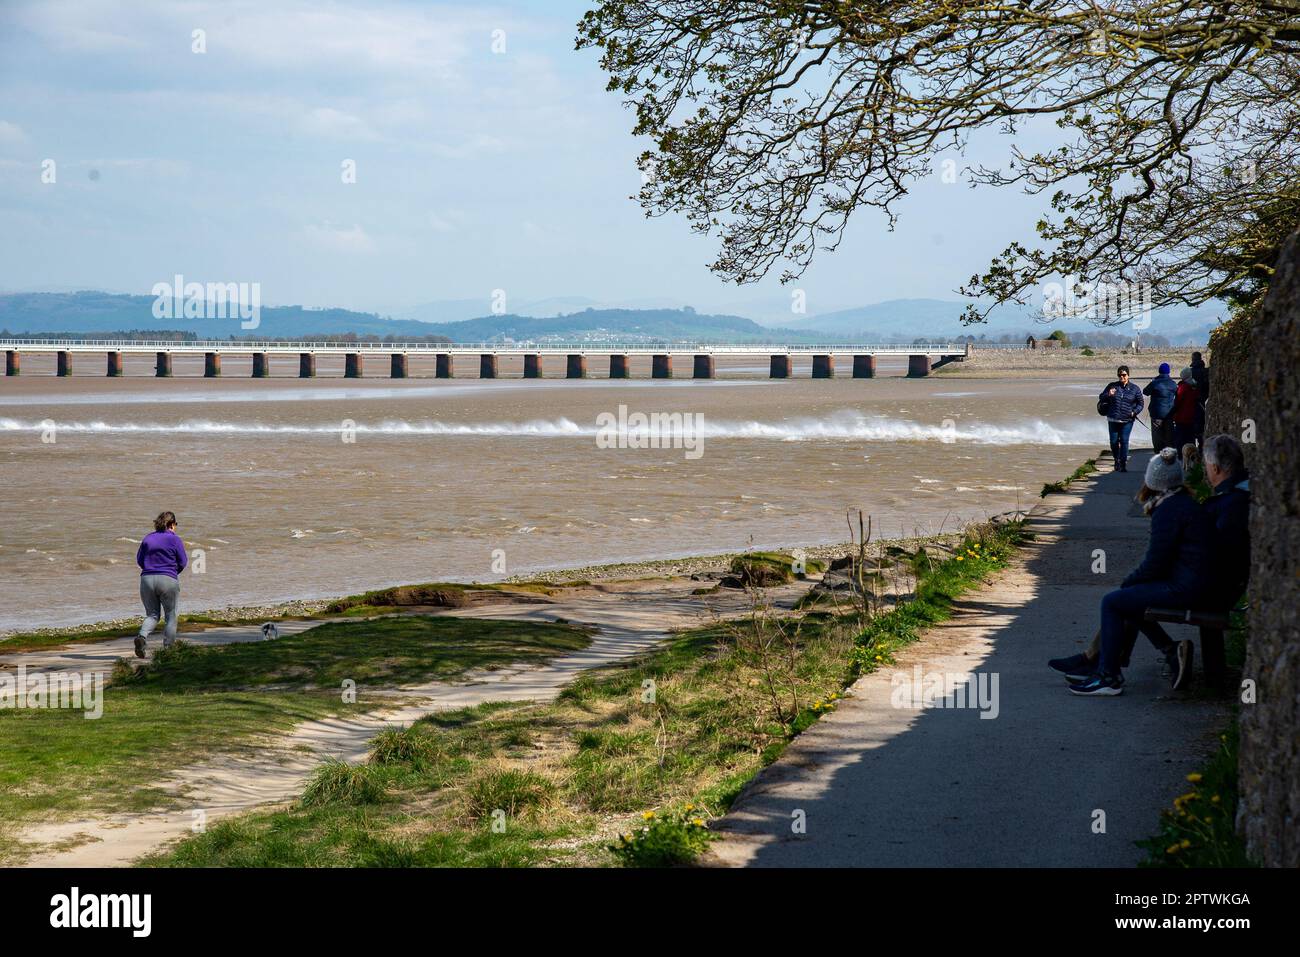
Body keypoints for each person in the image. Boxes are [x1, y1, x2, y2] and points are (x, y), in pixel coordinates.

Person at [1067, 449, 1214, 696]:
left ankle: (1108, 676)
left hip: (1188, 588)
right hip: (1197, 582)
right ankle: (1167, 650)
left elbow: (1156, 562)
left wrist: (1129, 582)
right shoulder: (1181, 503)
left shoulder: (1168, 511)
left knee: (1114, 602)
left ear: (1152, 481)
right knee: (1129, 598)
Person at [1201, 433, 1250, 609]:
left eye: (1206, 466)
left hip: (1219, 586)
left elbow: (1219, 551)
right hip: (1235, 581)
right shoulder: (1247, 489)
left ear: (1215, 468)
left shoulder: (1230, 503)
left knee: (1122, 601)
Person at [134, 511, 188, 658]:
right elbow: (183, 561)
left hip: (146, 579)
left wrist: (150, 569)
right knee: (170, 616)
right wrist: (173, 572)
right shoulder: (175, 539)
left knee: (152, 615)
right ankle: (168, 650)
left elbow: (139, 560)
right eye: (175, 524)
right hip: (167, 579)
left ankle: (142, 636)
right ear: (171, 524)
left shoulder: (148, 538)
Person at [1098, 365, 1144, 472]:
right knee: (1113, 442)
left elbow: (1141, 403)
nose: (1121, 377)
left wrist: (1134, 412)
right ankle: (1116, 460)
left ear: (1128, 375)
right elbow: (1101, 397)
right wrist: (1108, 394)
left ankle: (1122, 463)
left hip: (1127, 420)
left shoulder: (1135, 389)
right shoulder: (1112, 386)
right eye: (1119, 375)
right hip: (1113, 419)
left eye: (1123, 375)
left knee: (1124, 440)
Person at [1143, 362, 1178, 452]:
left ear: (1159, 371)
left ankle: (1158, 454)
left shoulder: (1155, 383)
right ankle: (1169, 456)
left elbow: (1145, 392)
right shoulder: (1173, 384)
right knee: (1169, 437)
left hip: (1156, 414)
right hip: (1169, 414)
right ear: (1168, 372)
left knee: (1157, 437)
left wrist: (1152, 382)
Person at [1171, 367, 1199, 451]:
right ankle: (1192, 456)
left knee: (1180, 440)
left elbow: (1177, 402)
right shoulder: (1195, 385)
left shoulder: (1183, 387)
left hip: (1182, 417)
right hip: (1193, 416)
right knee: (1191, 439)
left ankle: (1180, 456)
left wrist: (1172, 413)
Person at [1190, 351, 1211, 447]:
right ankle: (1202, 446)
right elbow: (1208, 387)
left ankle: (1193, 448)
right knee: (1202, 424)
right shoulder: (1206, 371)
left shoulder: (1191, 372)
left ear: (1193, 359)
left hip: (1192, 402)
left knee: (1193, 425)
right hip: (1203, 400)